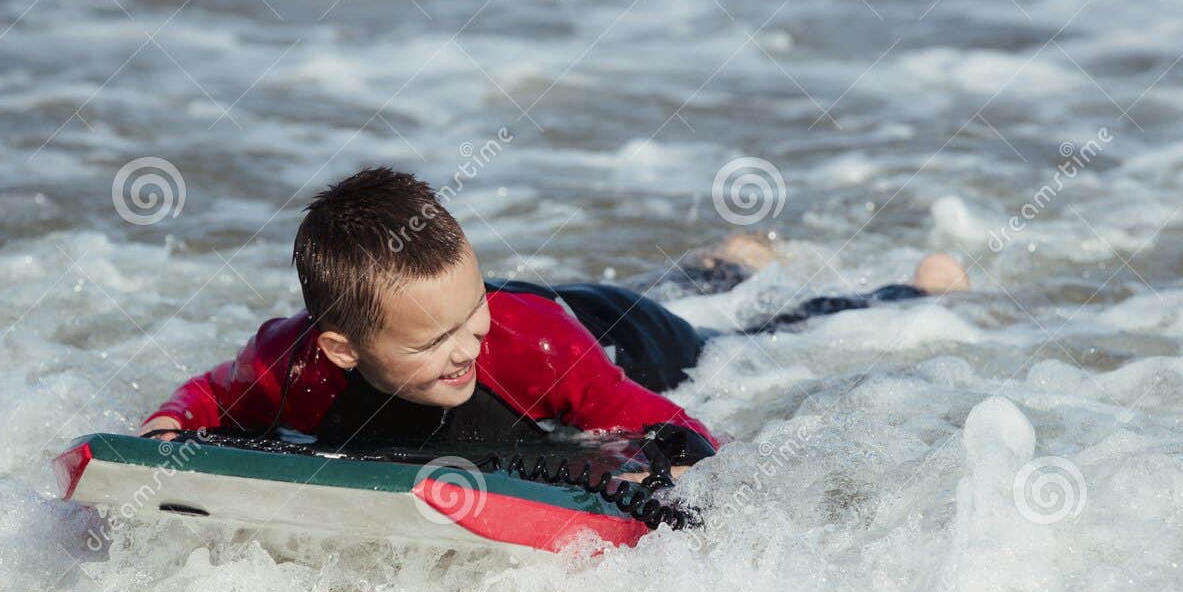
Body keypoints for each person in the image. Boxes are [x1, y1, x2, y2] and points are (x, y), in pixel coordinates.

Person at [139, 168, 968, 481]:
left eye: (469, 320)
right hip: (527, 305)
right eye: (434, 342)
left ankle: (908, 290)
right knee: (688, 288)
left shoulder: (514, 340)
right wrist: (170, 424)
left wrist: (679, 468)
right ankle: (726, 260)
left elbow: (670, 422)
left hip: (610, 333)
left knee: (730, 334)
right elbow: (212, 398)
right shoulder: (291, 360)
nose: (466, 347)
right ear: (341, 347)